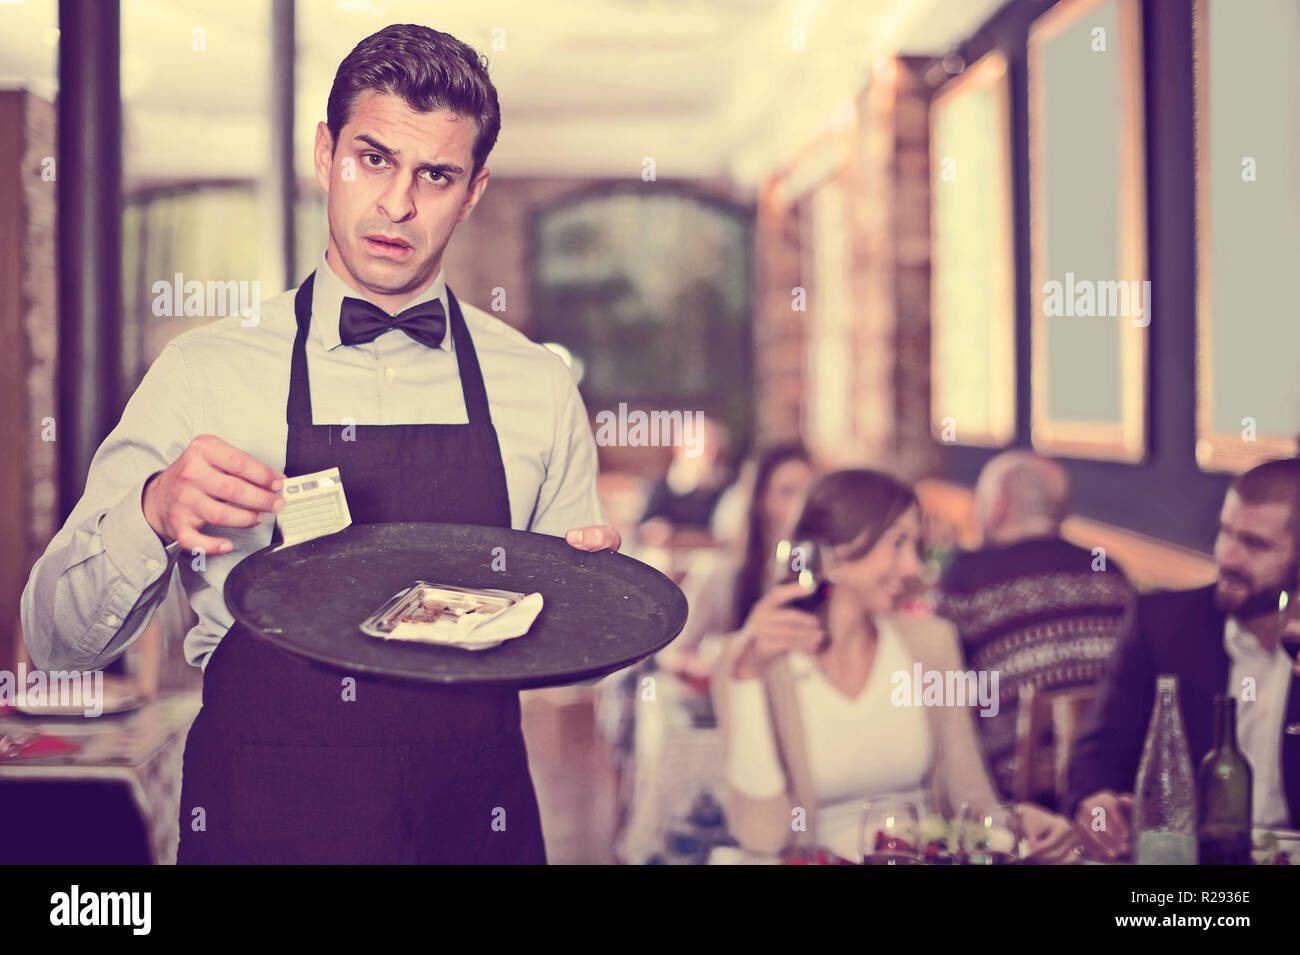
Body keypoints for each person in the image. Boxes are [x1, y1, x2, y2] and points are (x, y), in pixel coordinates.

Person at [21, 24, 621, 865]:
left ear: (474, 189)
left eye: (435, 175)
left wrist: (593, 603)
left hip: (471, 823)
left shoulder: (538, 387)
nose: (397, 205)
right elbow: (53, 641)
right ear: (324, 151)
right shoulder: (204, 372)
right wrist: (152, 511)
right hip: (264, 823)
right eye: (373, 158)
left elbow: (571, 665)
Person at [712, 469, 1079, 862]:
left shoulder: (932, 643)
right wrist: (747, 677)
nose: (914, 569)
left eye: (915, 546)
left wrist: (1019, 822)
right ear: (833, 549)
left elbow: (971, 796)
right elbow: (763, 837)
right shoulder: (753, 662)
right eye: (898, 543)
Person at [1067, 458, 1300, 859]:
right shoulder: (1161, 623)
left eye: (1255, 544)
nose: (1228, 558)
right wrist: (1096, 801)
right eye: (1225, 533)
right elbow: (1097, 757)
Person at [935, 451, 1135, 804]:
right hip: (1113, 780)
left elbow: (944, 688)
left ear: (998, 507)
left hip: (1013, 795)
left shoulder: (965, 579)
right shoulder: (1110, 572)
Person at [657, 441, 814, 681]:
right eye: (787, 492)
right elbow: (670, 655)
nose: (802, 505)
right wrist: (727, 661)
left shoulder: (818, 574)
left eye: (808, 491)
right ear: (761, 501)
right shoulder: (721, 572)